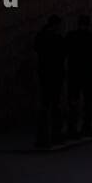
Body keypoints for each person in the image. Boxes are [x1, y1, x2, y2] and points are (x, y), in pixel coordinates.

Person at [65, 16, 92, 137]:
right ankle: (86, 126)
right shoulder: (91, 36)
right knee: (89, 101)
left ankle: (72, 127)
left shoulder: (71, 36)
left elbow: (64, 49)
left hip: (74, 72)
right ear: (87, 25)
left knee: (73, 100)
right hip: (88, 73)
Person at [34, 16, 65, 146]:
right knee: (53, 103)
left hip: (45, 73)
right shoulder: (56, 39)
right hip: (53, 73)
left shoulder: (41, 37)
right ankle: (54, 133)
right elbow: (63, 53)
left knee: (46, 103)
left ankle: (47, 133)